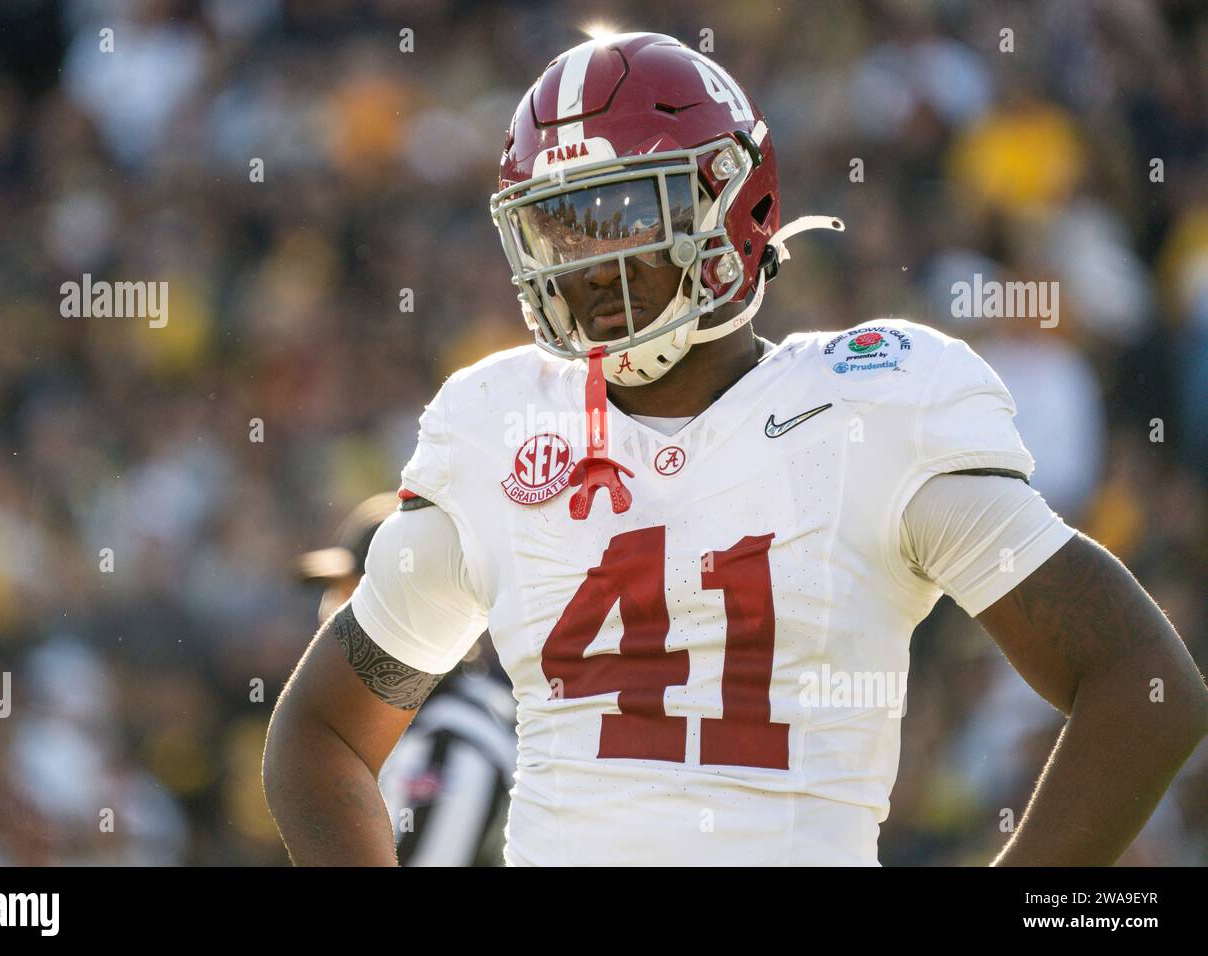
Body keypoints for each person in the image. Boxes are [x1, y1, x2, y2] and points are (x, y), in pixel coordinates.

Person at [264, 32, 1208, 866]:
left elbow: (1145, 684)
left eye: (621, 212)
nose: (581, 260)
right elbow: (321, 737)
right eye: (559, 222)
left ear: (730, 206)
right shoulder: (498, 425)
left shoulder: (867, 406)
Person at [294, 493, 517, 866]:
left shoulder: (451, 741)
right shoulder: (445, 715)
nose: (327, 616)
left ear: (408, 604)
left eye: (351, 596)